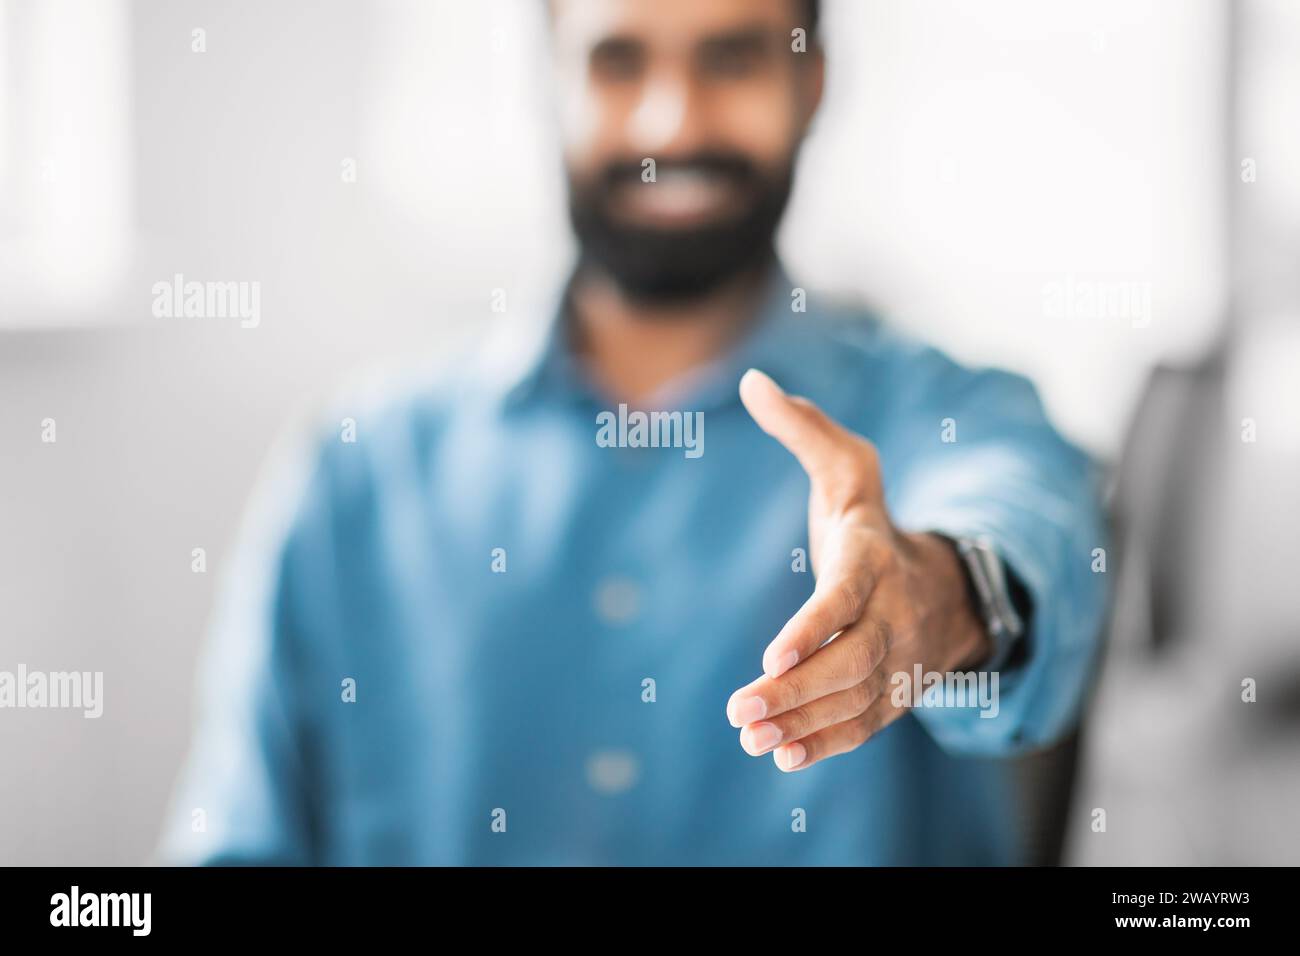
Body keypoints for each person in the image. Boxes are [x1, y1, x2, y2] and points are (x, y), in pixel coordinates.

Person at [161, 0, 1109, 865]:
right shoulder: (358, 468)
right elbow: (240, 838)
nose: (672, 125)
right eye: (619, 63)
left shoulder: (946, 414)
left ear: (810, 82)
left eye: (730, 60)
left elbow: (1025, 513)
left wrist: (937, 599)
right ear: (549, 84)